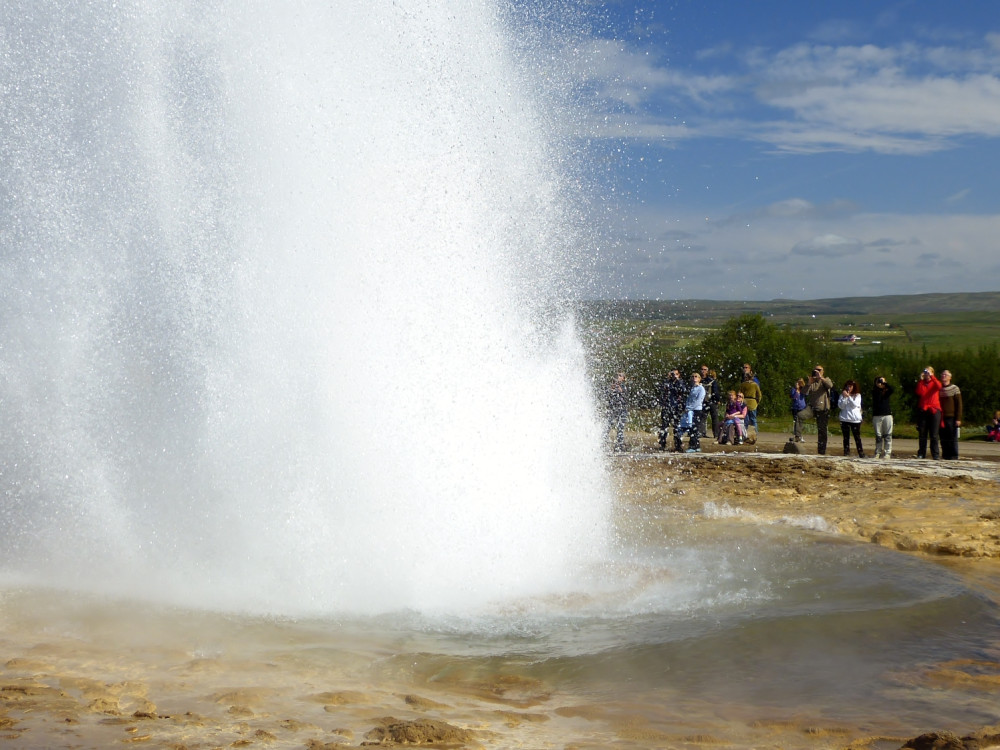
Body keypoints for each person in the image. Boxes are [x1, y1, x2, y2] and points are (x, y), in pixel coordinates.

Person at [796, 365, 835, 455]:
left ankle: (822, 451)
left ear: (823, 371)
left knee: (822, 430)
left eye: (819, 370)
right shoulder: (812, 382)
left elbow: (830, 385)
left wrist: (821, 378)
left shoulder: (826, 380)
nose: (817, 371)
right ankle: (797, 436)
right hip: (812, 408)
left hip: (823, 408)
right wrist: (809, 383)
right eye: (815, 370)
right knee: (799, 415)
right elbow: (804, 392)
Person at [915, 366, 942, 460]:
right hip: (923, 409)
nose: (926, 373)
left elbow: (939, 386)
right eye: (925, 372)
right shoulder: (922, 383)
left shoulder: (934, 382)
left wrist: (932, 377)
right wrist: (921, 380)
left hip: (934, 409)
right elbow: (919, 392)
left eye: (928, 372)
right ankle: (921, 453)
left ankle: (935, 454)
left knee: (934, 434)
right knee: (922, 433)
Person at [675, 371, 706, 453]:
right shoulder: (692, 388)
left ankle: (694, 446)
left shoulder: (701, 389)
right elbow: (689, 399)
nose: (694, 378)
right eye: (693, 376)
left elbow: (699, 401)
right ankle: (696, 445)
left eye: (696, 376)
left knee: (694, 429)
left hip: (696, 410)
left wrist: (690, 408)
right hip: (689, 410)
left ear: (699, 379)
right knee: (688, 428)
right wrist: (686, 407)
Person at [657, 368, 687, 451]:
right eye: (673, 374)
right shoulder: (667, 382)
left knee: (677, 426)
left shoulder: (680, 382)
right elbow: (662, 389)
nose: (674, 375)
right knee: (664, 426)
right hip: (667, 406)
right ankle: (662, 444)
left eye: (676, 374)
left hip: (677, 407)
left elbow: (683, 390)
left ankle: (678, 445)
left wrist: (678, 380)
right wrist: (667, 378)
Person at [939, 369, 963, 460]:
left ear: (950, 377)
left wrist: (958, 418)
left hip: (951, 416)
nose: (943, 376)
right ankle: (945, 454)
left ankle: (954, 455)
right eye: (942, 374)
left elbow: (959, 404)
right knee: (943, 437)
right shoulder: (939, 389)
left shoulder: (954, 388)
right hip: (941, 417)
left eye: (945, 375)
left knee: (952, 437)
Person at [838, 380, 865, 457]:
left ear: (853, 387)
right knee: (846, 437)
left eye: (850, 386)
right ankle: (846, 452)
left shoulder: (857, 395)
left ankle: (861, 452)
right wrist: (844, 398)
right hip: (844, 419)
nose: (849, 388)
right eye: (847, 386)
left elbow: (855, 405)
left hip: (855, 420)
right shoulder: (842, 395)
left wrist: (848, 397)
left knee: (857, 437)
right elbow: (841, 406)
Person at [871, 376, 894, 459]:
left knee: (888, 435)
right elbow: (877, 396)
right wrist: (878, 385)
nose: (881, 383)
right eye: (879, 381)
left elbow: (892, 389)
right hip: (877, 415)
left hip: (887, 414)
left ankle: (887, 452)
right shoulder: (875, 391)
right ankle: (878, 452)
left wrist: (885, 384)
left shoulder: (886, 391)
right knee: (878, 435)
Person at [606, 371, 629, 453]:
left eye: (620, 376)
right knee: (608, 426)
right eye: (618, 375)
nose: (618, 377)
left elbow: (627, 398)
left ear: (623, 378)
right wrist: (610, 390)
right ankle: (603, 443)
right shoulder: (612, 385)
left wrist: (621, 391)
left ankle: (619, 446)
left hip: (622, 410)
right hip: (613, 410)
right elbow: (607, 396)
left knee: (620, 428)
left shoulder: (625, 387)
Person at [738, 372, 763, 444]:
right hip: (753, 402)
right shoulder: (755, 385)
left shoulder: (743, 384)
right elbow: (759, 395)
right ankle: (756, 433)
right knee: (753, 419)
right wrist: (757, 402)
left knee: (745, 420)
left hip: (745, 401)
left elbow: (739, 394)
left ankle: (744, 434)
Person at [698, 365, 721, 439]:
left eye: (705, 369)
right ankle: (702, 433)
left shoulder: (711, 380)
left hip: (712, 401)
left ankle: (716, 434)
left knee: (714, 418)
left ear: (707, 371)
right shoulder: (698, 380)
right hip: (703, 401)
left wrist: (717, 400)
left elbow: (716, 391)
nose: (703, 371)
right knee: (702, 418)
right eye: (702, 369)